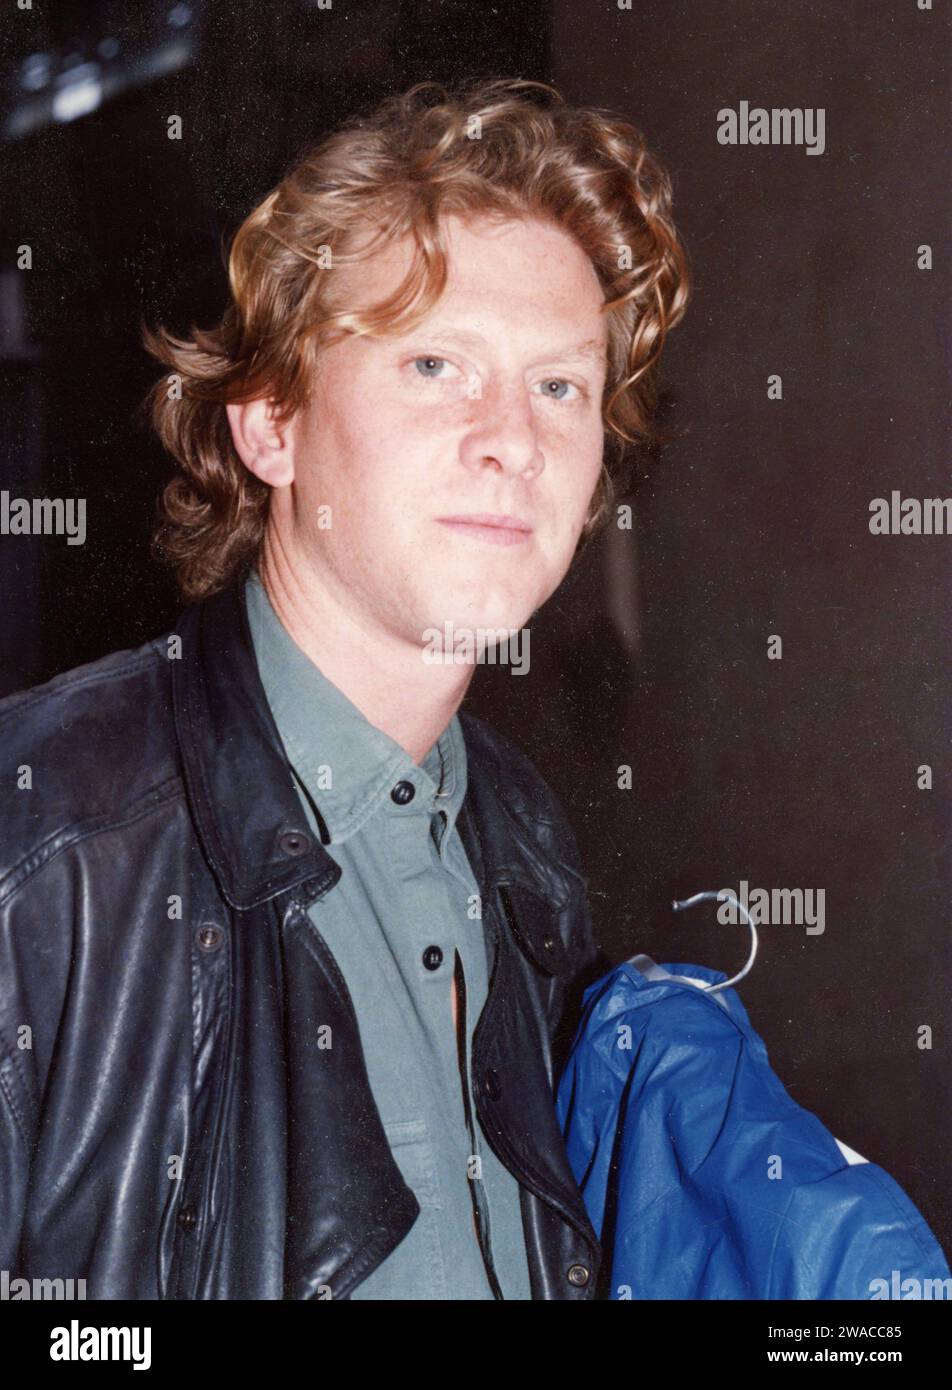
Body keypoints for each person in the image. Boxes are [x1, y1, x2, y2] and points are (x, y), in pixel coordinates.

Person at [0, 77, 689, 1300]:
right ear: (270, 425)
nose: (512, 440)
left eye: (559, 385)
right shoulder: (45, 839)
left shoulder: (523, 838)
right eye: (434, 364)